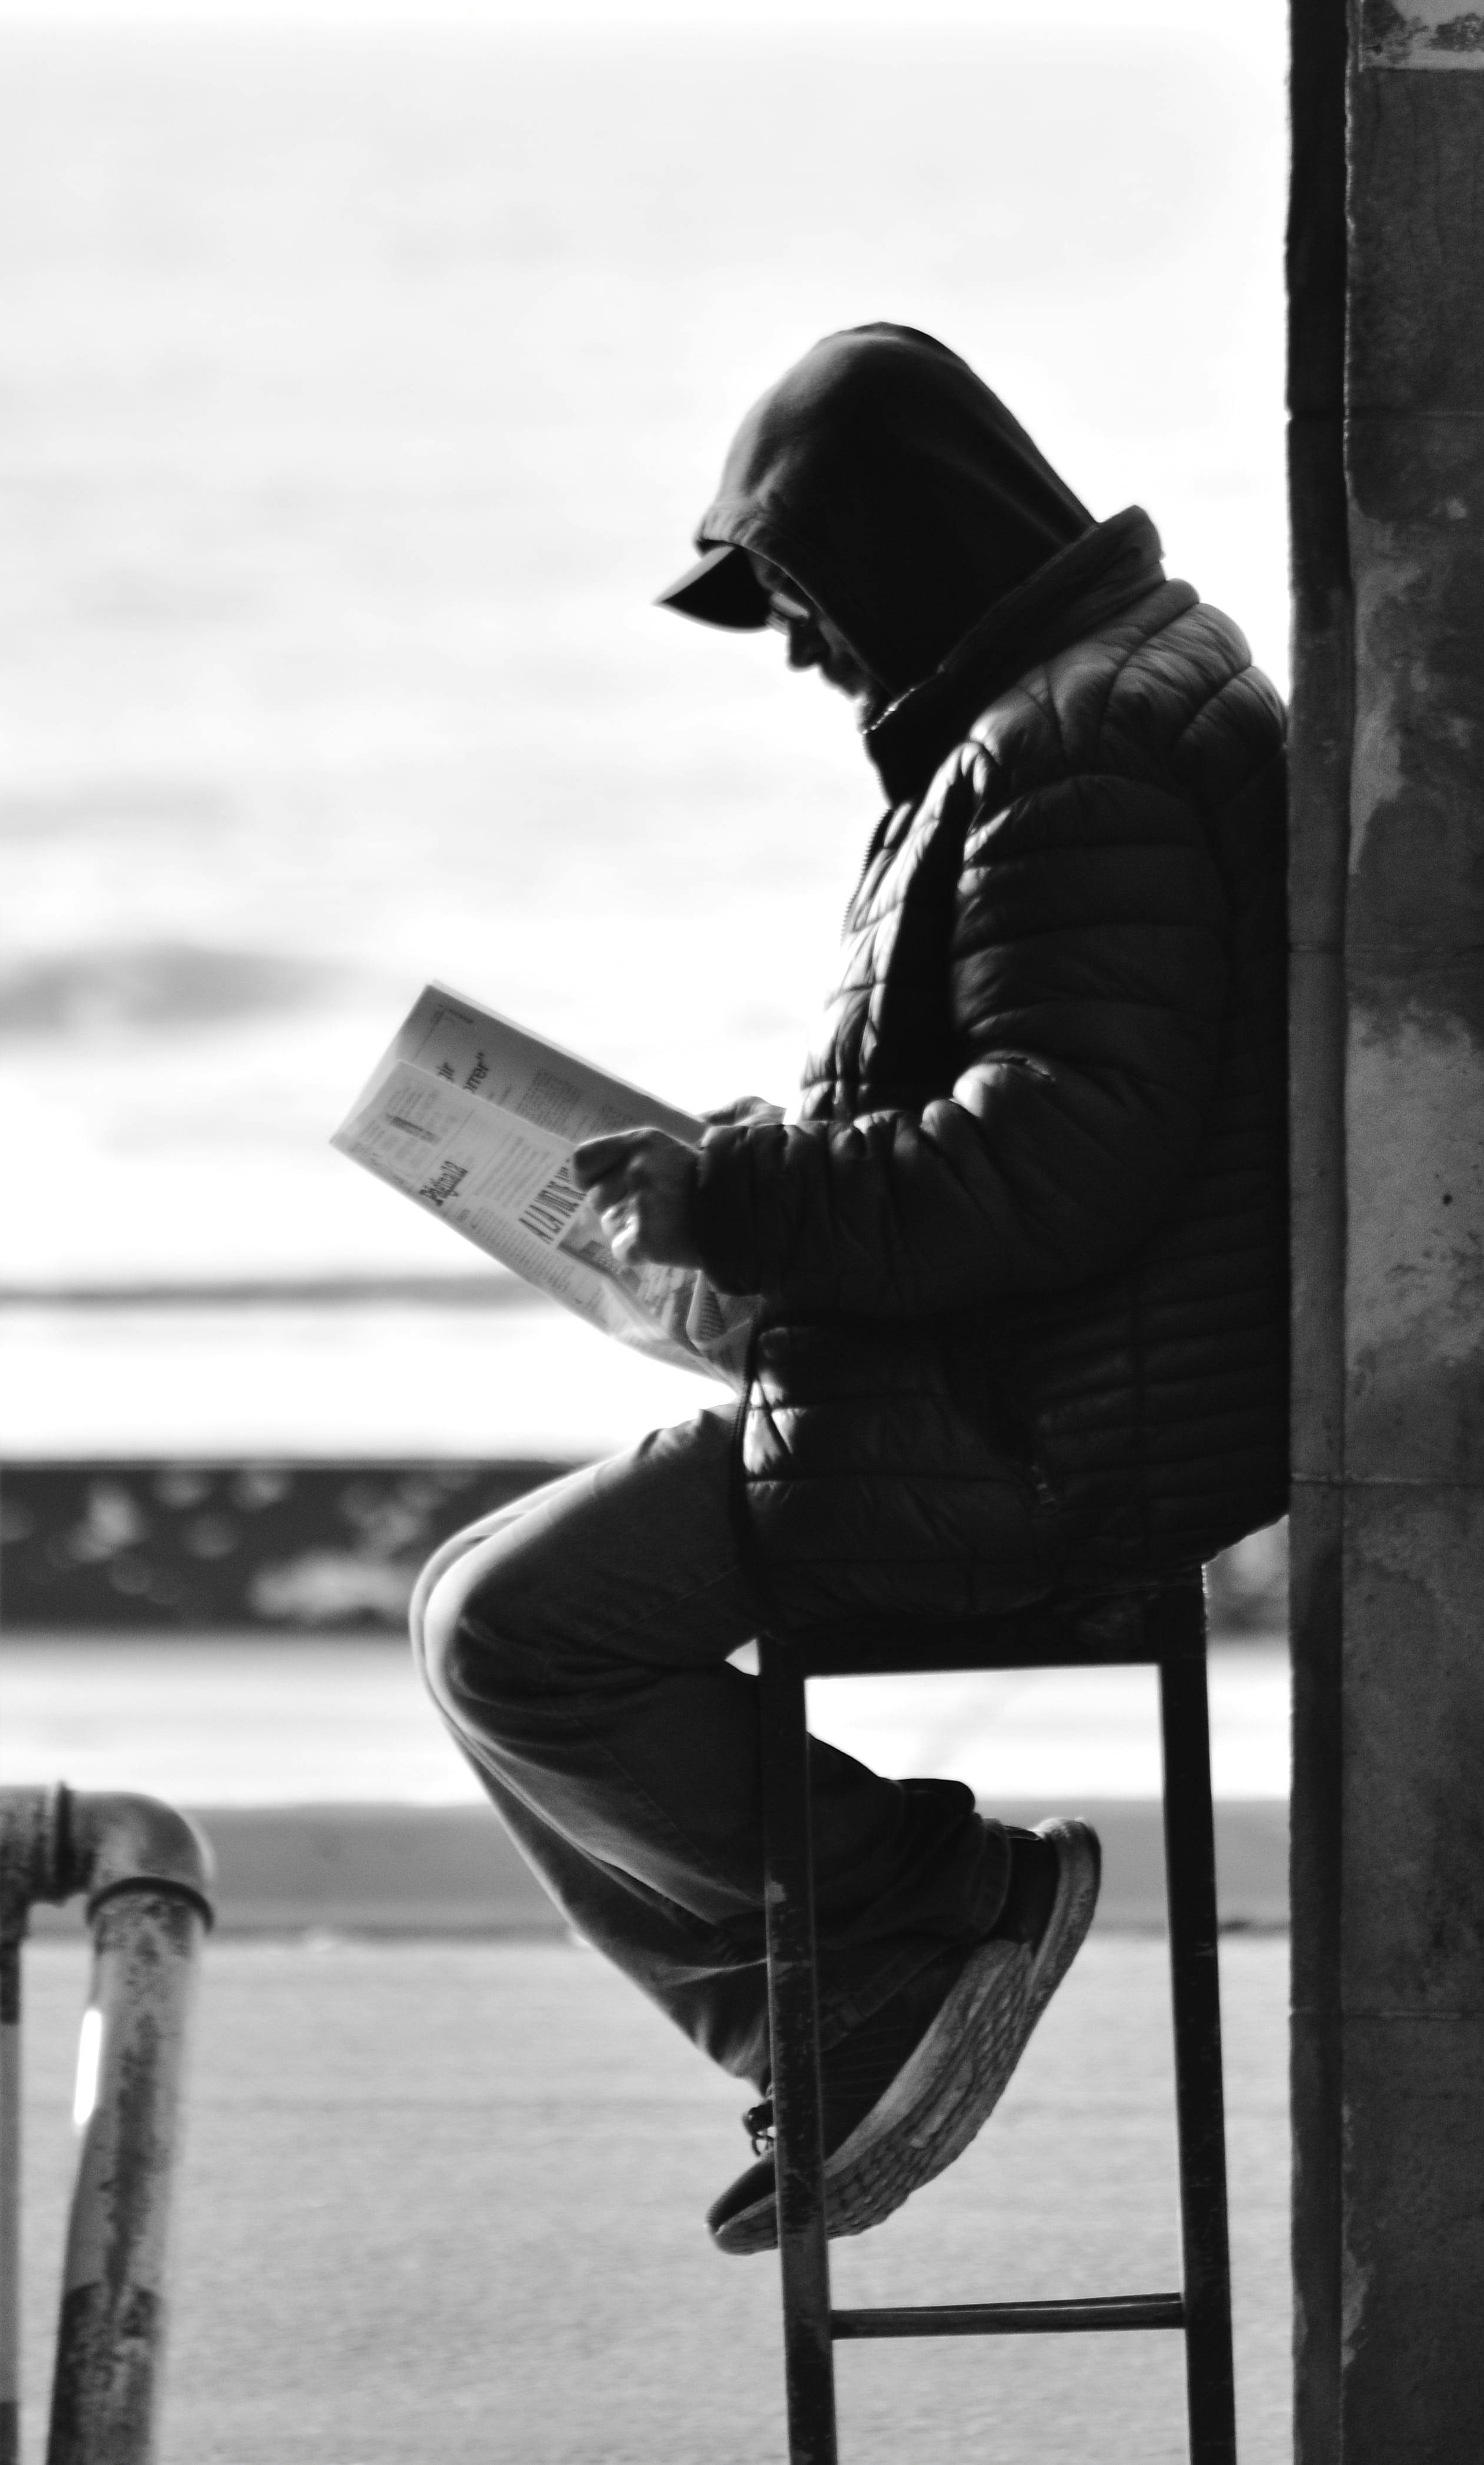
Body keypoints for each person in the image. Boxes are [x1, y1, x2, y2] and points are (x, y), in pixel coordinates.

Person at [409, 324, 1288, 2255]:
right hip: (1035, 1384)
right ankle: (846, 2000)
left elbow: (1055, 1148)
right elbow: (1030, 1100)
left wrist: (737, 1192)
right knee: (475, 1614)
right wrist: (743, 1191)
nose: (800, 650)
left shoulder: (1075, 752)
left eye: (801, 598)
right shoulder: (1075, 709)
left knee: (510, 1634)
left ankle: (919, 1906)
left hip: (1045, 1432)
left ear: (898, 554)